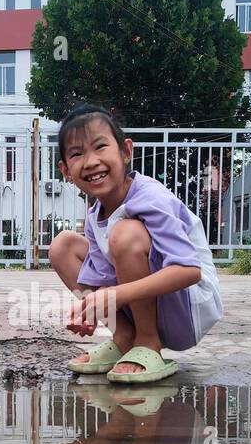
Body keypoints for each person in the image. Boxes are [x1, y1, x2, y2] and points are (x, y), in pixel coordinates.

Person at [47, 104, 223, 384]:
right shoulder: (95, 215)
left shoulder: (150, 197)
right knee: (62, 246)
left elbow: (189, 270)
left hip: (190, 306)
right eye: (77, 154)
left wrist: (115, 294)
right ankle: (125, 337)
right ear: (66, 170)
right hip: (154, 302)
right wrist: (88, 312)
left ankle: (148, 342)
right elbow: (100, 281)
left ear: (126, 151)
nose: (91, 162)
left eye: (100, 146)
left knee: (125, 233)